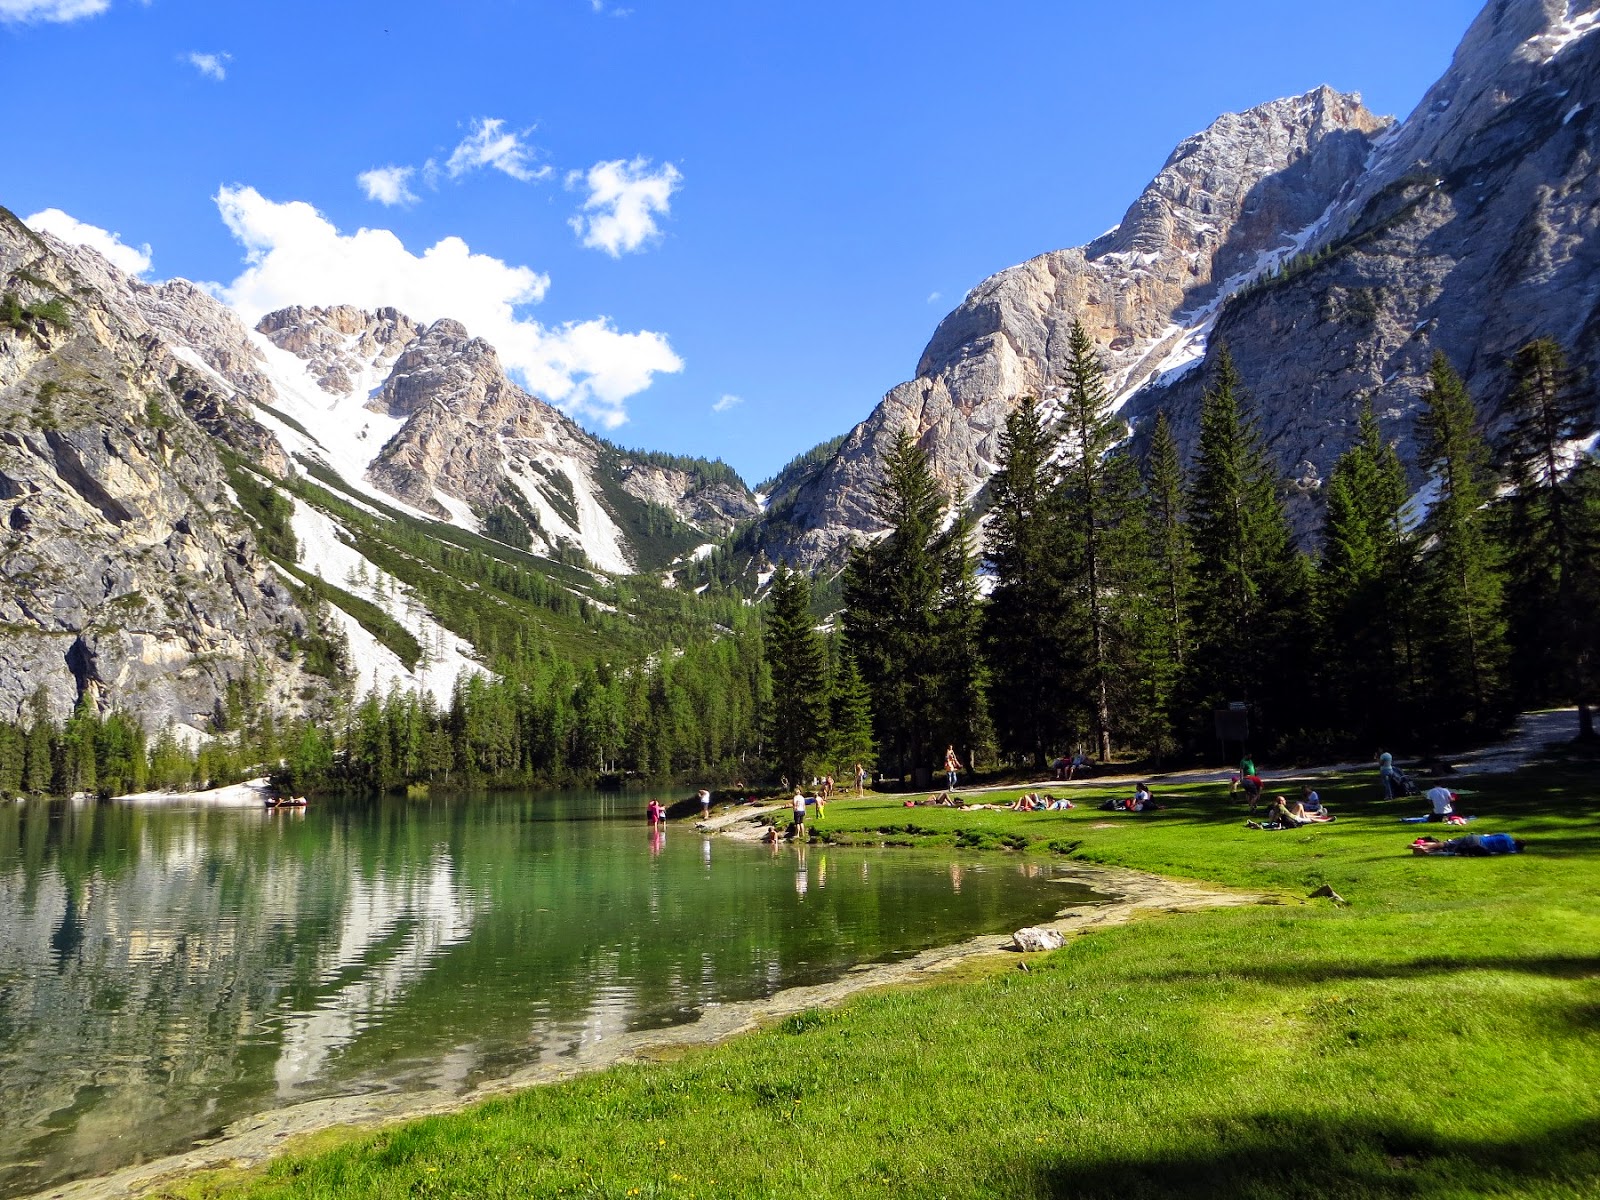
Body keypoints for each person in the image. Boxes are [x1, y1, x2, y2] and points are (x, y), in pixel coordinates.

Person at [1412, 833, 1523, 856]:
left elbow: (1489, 835)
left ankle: (1424, 846)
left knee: (1446, 843)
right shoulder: (1511, 849)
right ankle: (1426, 852)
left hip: (1475, 838)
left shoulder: (1506, 836)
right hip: (1479, 847)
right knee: (1453, 851)